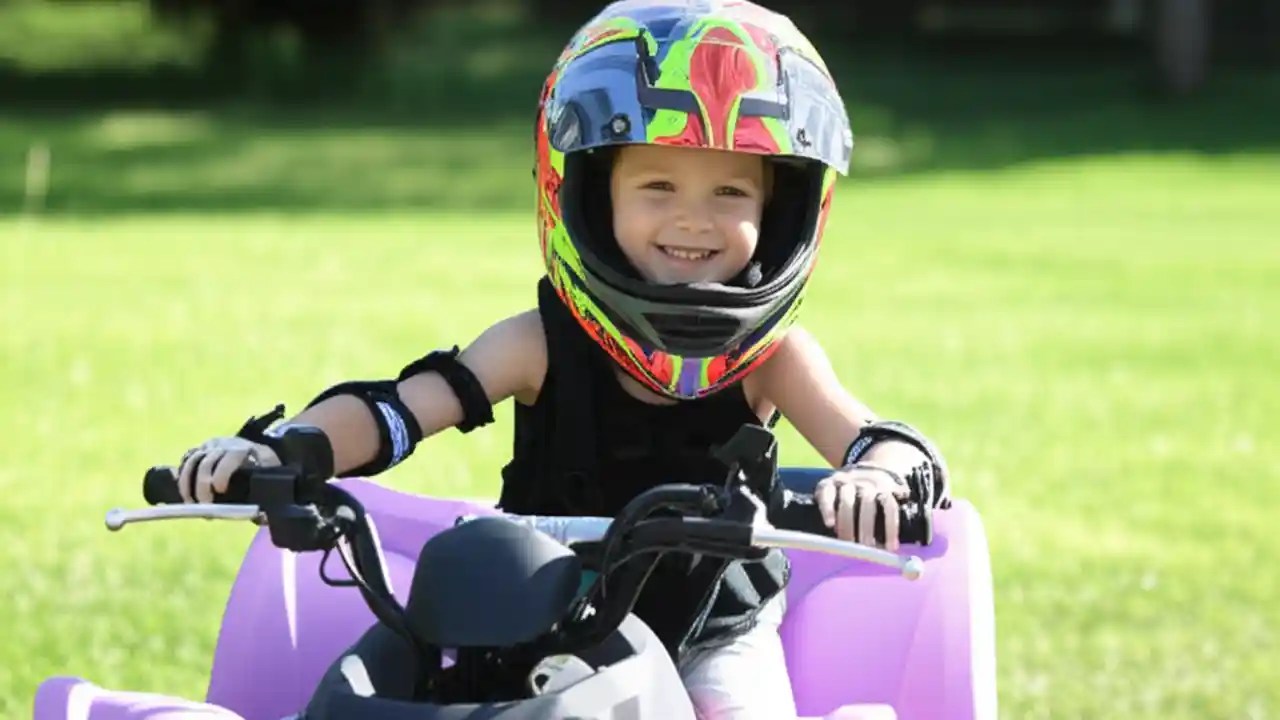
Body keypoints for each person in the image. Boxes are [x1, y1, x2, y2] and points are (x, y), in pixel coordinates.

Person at [168, 2, 950, 718]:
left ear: (780, 212)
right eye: (658, 183)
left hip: (714, 632)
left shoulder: (773, 360)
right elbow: (401, 408)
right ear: (585, 191)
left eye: (730, 194)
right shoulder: (537, 343)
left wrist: (876, 475)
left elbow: (882, 442)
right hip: (534, 621)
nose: (693, 218)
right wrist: (283, 450)